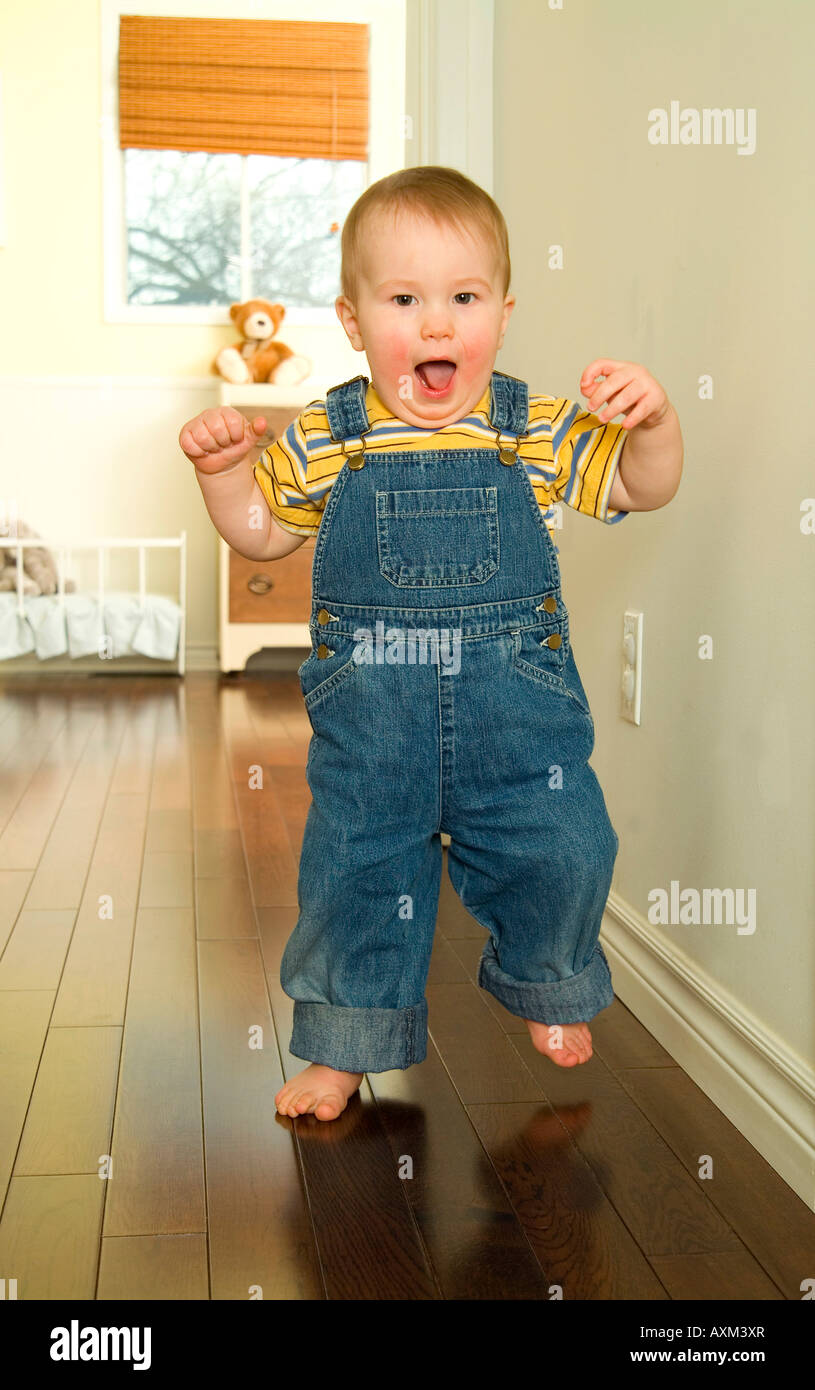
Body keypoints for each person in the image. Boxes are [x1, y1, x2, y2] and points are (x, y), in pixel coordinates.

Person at [179, 166, 683, 1123]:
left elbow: (640, 489)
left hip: (519, 730)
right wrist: (225, 473)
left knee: (568, 848)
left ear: (502, 309)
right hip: (374, 732)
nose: (438, 325)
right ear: (353, 320)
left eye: (464, 298)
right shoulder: (331, 434)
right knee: (354, 879)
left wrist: (654, 421)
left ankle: (547, 981)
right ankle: (343, 1048)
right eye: (405, 300)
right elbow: (260, 533)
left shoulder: (531, 428)